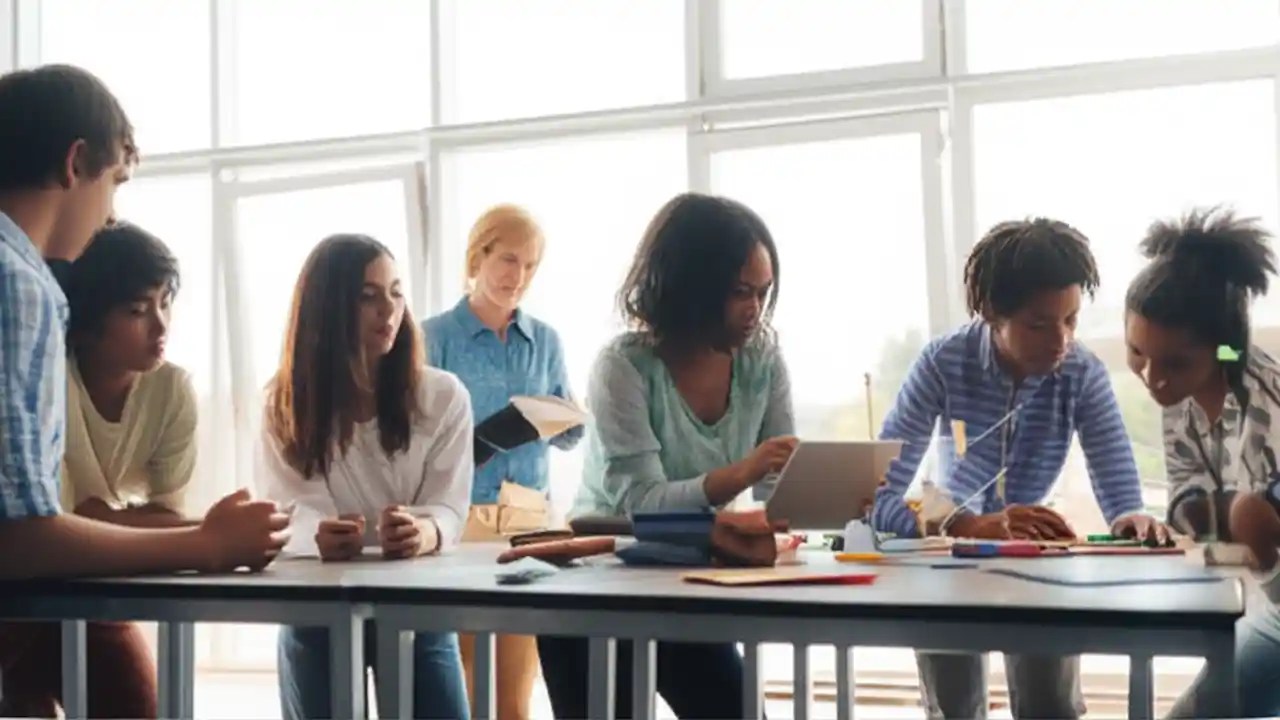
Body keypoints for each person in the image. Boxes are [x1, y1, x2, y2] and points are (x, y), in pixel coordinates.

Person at [0, 63, 287, 715]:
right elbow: (16, 537)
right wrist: (207, 544)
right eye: (115, 183)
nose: (110, 216)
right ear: (76, 162)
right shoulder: (18, 283)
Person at [872, 218, 1166, 720]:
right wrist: (962, 524)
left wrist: (1131, 519)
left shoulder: (1082, 373)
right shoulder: (942, 362)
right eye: (1039, 324)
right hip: (949, 560)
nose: (1061, 340)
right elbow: (877, 495)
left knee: (1051, 707)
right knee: (953, 710)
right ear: (991, 313)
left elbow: (1116, 475)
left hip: (1038, 559)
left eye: (1071, 320)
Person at [540, 192, 797, 719]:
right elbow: (641, 503)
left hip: (690, 576)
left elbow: (780, 484)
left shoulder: (763, 360)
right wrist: (742, 473)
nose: (755, 309)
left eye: (763, 292)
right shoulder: (622, 367)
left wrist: (826, 497)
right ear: (692, 288)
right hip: (597, 584)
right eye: (740, 292)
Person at [258, 234, 473, 720]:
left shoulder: (443, 397)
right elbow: (286, 508)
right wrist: (318, 533)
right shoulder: (283, 402)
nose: (389, 309)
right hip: (317, 608)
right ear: (327, 308)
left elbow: (449, 505)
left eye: (396, 292)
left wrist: (425, 531)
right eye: (368, 296)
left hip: (419, 605)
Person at [1, 222, 194, 717]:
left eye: (165, 303)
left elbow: (168, 515)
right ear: (86, 324)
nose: (160, 326)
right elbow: (48, 526)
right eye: (137, 310)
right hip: (20, 582)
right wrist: (117, 522)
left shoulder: (172, 390)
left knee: (142, 707)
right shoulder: (48, 379)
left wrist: (99, 518)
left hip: (89, 580)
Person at [422, 204, 582, 720]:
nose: (520, 276)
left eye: (531, 265)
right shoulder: (432, 338)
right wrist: (487, 438)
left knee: (514, 697)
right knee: (462, 688)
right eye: (509, 260)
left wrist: (568, 420)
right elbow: (416, 444)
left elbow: (570, 435)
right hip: (461, 522)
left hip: (530, 527)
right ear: (478, 257)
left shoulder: (546, 340)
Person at [1123, 207, 1280, 719]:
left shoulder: (1268, 401)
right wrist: (1217, 513)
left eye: (1174, 362)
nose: (1152, 378)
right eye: (1137, 352)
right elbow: (1186, 497)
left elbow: (1255, 523)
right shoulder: (1180, 396)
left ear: (1226, 350)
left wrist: (1241, 516)